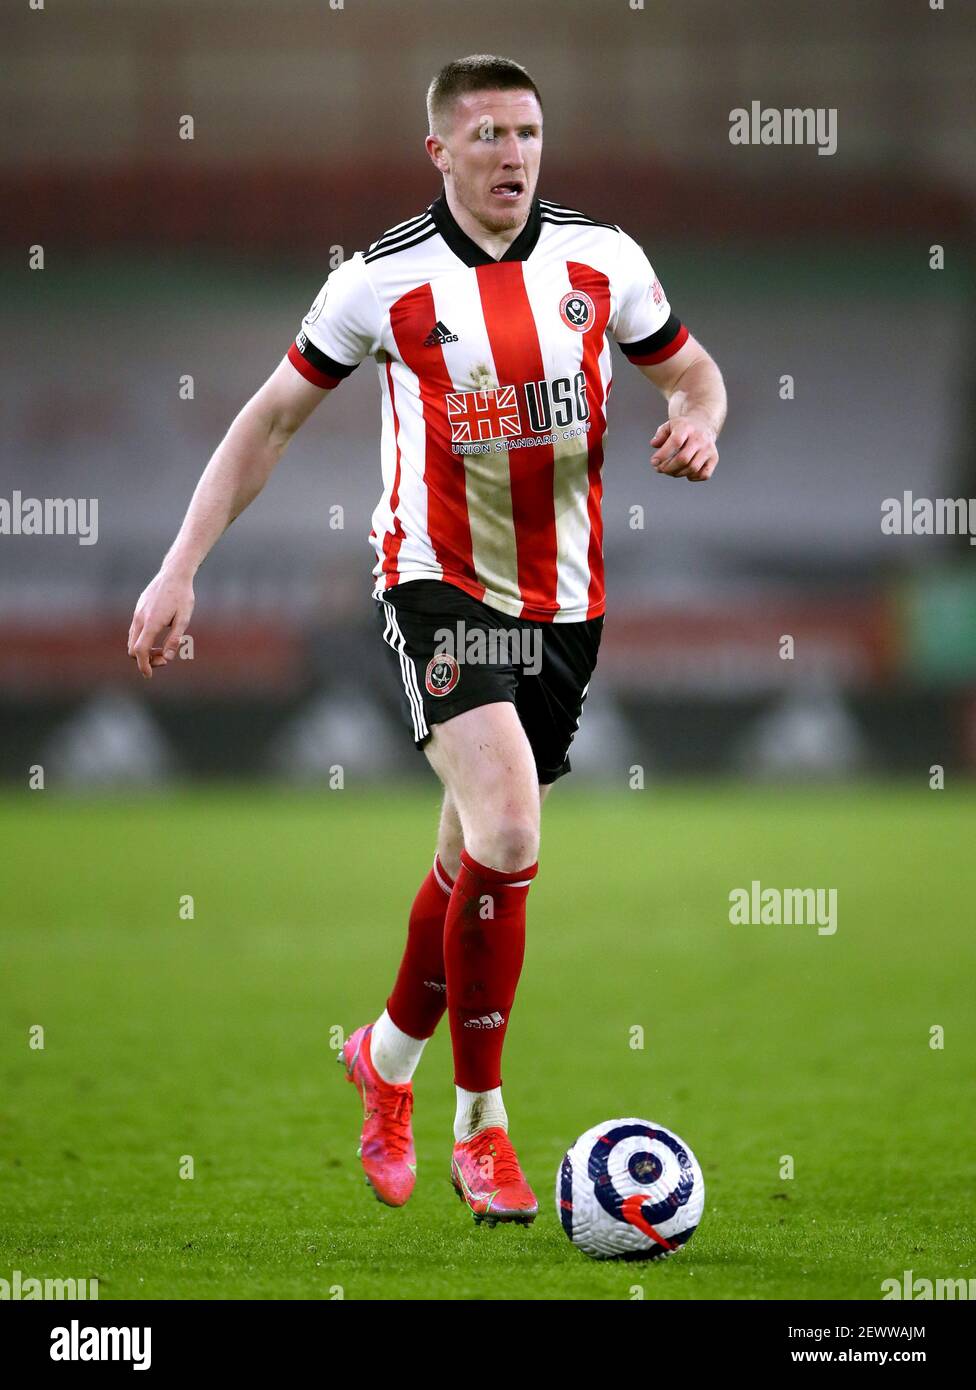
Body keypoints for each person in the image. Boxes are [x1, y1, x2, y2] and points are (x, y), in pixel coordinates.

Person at [127, 53, 726, 1228]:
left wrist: (695, 424)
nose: (514, 154)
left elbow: (694, 375)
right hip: (435, 584)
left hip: (568, 605)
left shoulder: (604, 261)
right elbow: (268, 424)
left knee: (470, 865)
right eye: (490, 134)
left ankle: (384, 1063)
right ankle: (482, 1126)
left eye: (529, 133)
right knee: (510, 821)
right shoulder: (380, 282)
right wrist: (178, 564)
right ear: (440, 151)